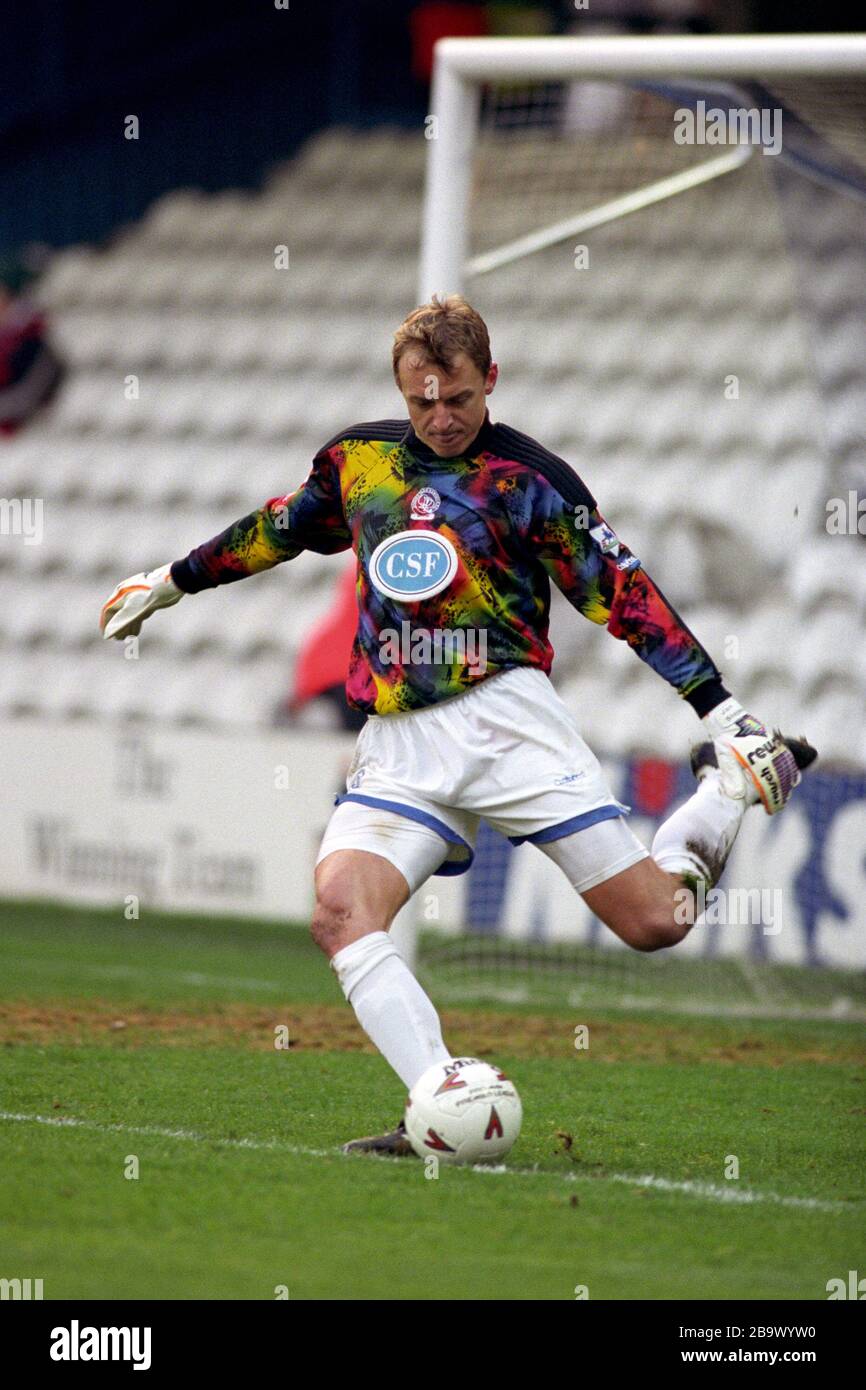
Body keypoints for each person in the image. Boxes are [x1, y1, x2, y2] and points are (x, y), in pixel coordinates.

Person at [99, 295, 814, 1155]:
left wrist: (723, 711)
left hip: (510, 726)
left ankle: (725, 789)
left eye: (460, 399)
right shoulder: (357, 462)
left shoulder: (530, 483)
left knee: (656, 924)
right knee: (338, 910)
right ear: (402, 390)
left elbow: (625, 598)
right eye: (422, 400)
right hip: (399, 743)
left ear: (491, 381)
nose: (441, 418)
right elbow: (277, 531)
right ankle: (438, 1099)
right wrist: (173, 581)